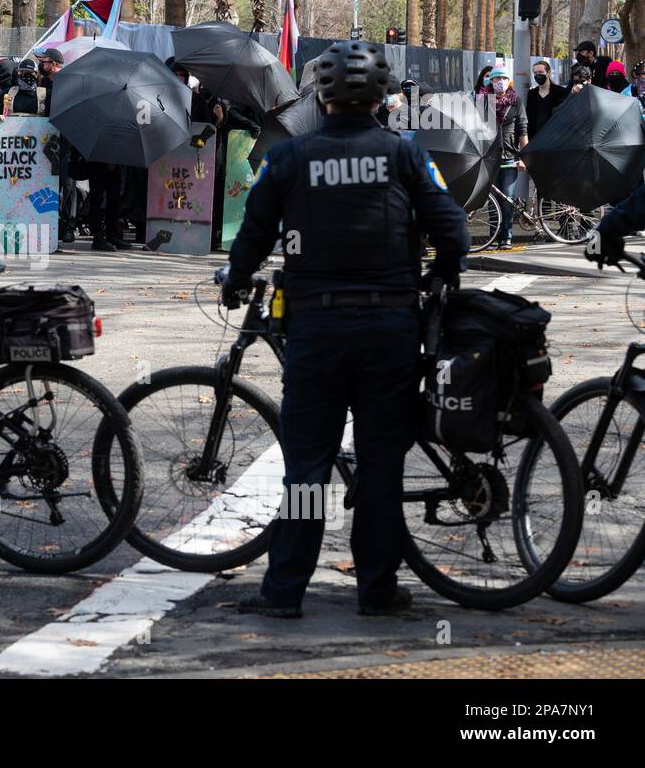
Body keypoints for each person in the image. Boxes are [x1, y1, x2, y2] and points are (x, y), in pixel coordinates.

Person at [223, 40, 468, 618]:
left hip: (315, 329)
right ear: (382, 95)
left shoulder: (290, 157)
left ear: (322, 95)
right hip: (390, 330)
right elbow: (452, 229)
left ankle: (285, 592)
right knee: (382, 465)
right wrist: (441, 275)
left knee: (307, 467)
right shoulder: (404, 154)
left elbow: (253, 235)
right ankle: (377, 590)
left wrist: (235, 278)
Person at [479, 65, 528, 249]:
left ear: (509, 81)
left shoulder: (517, 102)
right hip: (488, 159)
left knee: (507, 199)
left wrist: (525, 157)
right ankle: (493, 237)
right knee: (492, 202)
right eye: (496, 79)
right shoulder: (482, 101)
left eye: (504, 79)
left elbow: (522, 130)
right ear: (490, 81)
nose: (500, 82)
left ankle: (506, 237)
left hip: (510, 157)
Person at [525, 59, 568, 142]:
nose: (538, 75)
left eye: (541, 72)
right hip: (535, 138)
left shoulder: (561, 92)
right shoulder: (532, 93)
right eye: (535, 73)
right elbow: (529, 116)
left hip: (555, 138)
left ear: (548, 73)